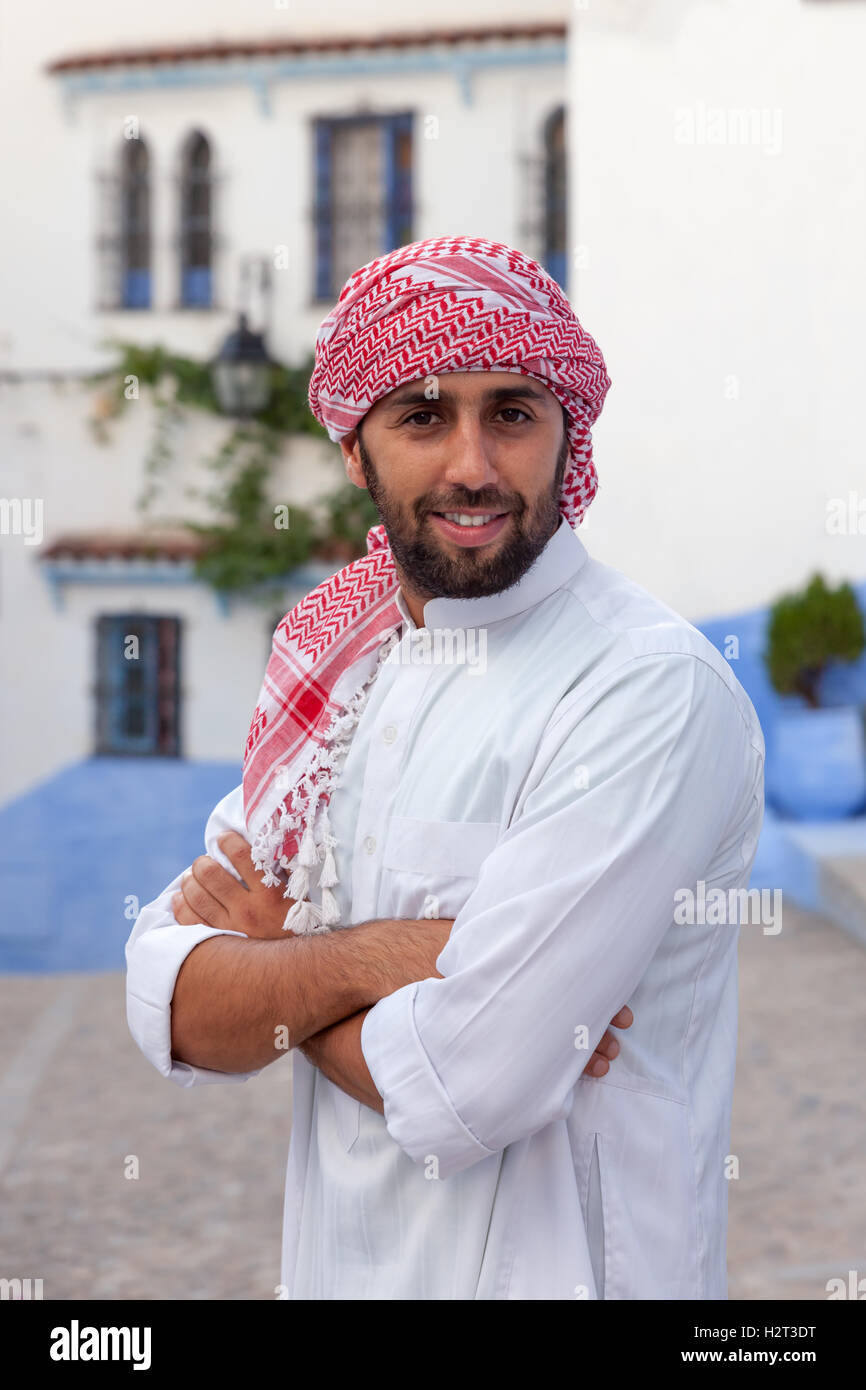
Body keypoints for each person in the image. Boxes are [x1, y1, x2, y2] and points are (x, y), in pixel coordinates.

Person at [125, 235, 764, 1300]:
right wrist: (388, 964)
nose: (472, 465)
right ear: (355, 449)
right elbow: (170, 1002)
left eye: (511, 413)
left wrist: (277, 964)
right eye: (423, 418)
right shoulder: (340, 676)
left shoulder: (646, 686)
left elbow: (469, 1084)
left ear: (565, 433)